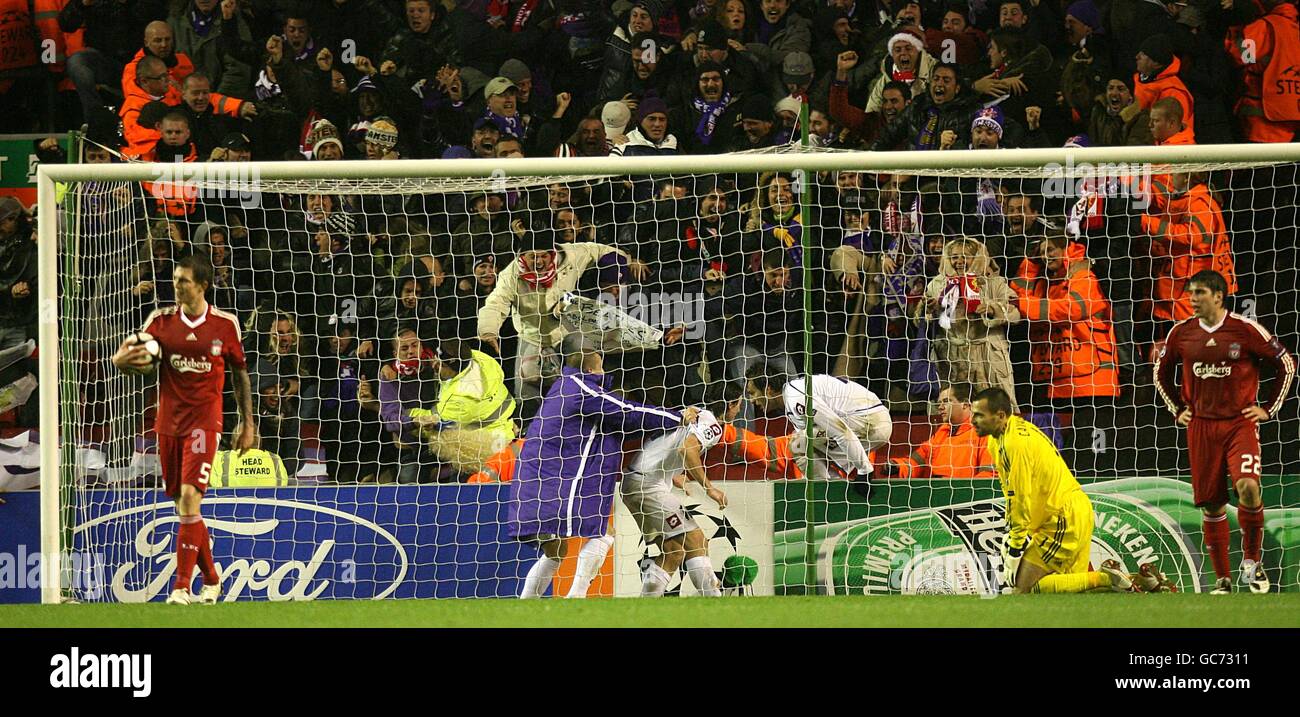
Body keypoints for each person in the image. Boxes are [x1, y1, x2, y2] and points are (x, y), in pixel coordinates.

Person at [110, 253, 256, 605]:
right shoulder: (160, 321)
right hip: (168, 422)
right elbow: (132, 357)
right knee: (184, 506)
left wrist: (247, 422)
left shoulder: (225, 324)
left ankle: (180, 587)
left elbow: (239, 374)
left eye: (183, 280)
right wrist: (122, 360)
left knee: (191, 498)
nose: (176, 285)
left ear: (203, 285)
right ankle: (212, 578)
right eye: (175, 279)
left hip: (206, 420)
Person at [509, 342, 698, 599]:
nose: (603, 361)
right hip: (558, 479)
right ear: (590, 365)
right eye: (600, 358)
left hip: (541, 477)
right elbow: (627, 411)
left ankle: (526, 603)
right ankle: (576, 596)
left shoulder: (565, 386)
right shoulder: (580, 388)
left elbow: (616, 423)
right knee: (603, 533)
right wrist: (676, 417)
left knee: (555, 548)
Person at [1154, 270, 1295, 594]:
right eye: (1190, 293)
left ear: (1218, 296)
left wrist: (1268, 409)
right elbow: (1160, 373)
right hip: (1202, 426)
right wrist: (1178, 409)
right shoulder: (1182, 333)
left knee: (1248, 487)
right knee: (1213, 505)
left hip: (1239, 423)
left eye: (1200, 293)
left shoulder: (1245, 330)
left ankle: (1252, 563)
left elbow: (1285, 363)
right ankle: (1223, 580)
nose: (1193, 299)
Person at [970, 387, 1133, 594]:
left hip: (1062, 517)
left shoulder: (1015, 443)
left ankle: (1106, 577)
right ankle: (1142, 580)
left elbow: (1020, 497)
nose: (972, 420)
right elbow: (1010, 491)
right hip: (1070, 511)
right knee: (1076, 593)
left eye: (979, 415)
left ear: (1000, 415)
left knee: (1023, 589)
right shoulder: (997, 439)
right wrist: (1012, 533)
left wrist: (1015, 545)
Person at [623, 381, 742, 597]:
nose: (740, 409)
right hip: (647, 485)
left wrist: (674, 474)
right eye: (739, 404)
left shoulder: (693, 413)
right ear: (732, 404)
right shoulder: (713, 426)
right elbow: (686, 449)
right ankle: (715, 604)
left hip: (637, 480)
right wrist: (710, 488)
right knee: (696, 540)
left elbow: (669, 444)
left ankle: (644, 606)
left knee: (674, 551)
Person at [745, 364, 892, 484]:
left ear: (768, 389)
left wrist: (864, 471)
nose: (751, 400)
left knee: (798, 443)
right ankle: (829, 488)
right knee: (804, 445)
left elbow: (840, 430)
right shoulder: (791, 400)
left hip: (871, 421)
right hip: (866, 422)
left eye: (752, 393)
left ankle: (826, 491)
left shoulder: (797, 398)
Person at [879, 383, 994, 479]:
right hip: (937, 496)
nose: (940, 407)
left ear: (965, 404)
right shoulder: (941, 433)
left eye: (946, 401)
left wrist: (958, 488)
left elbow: (989, 476)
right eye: (939, 403)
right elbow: (916, 461)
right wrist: (897, 466)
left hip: (966, 501)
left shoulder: (986, 433)